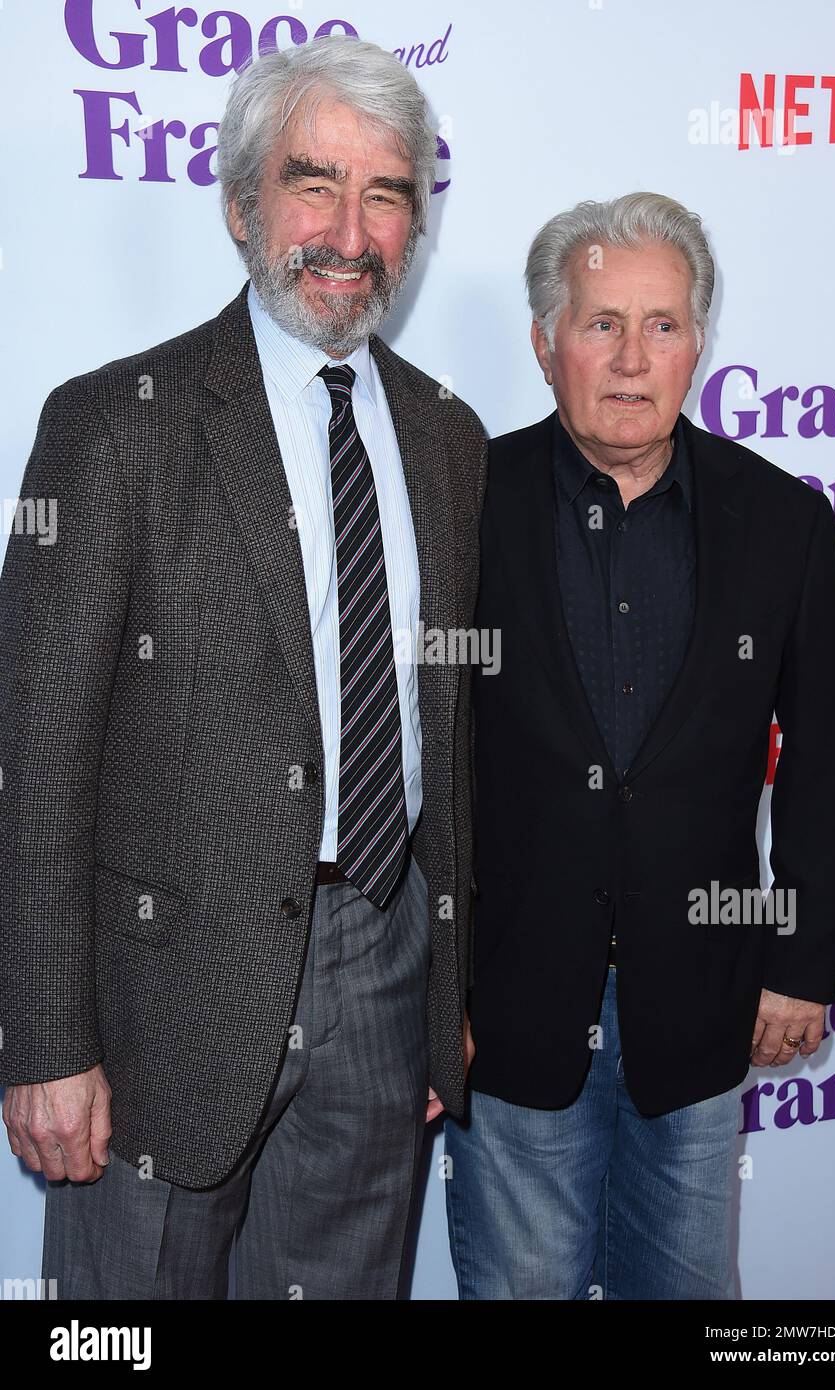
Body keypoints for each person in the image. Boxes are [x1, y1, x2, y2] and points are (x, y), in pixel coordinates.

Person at [0, 35, 485, 1300]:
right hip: (160, 1003)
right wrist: (44, 1039)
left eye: (386, 195)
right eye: (312, 184)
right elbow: (36, 760)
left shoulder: (448, 436)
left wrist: (445, 996)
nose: (349, 231)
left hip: (381, 969)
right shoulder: (112, 424)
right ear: (237, 205)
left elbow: (448, 736)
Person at [444, 192, 835, 1300]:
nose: (632, 359)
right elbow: (417, 762)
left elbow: (824, 759)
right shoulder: (463, 504)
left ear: (697, 343)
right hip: (508, 1005)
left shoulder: (780, 519)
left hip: (703, 1003)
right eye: (601, 324)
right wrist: (433, 989)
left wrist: (799, 964)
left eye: (662, 325)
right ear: (544, 344)